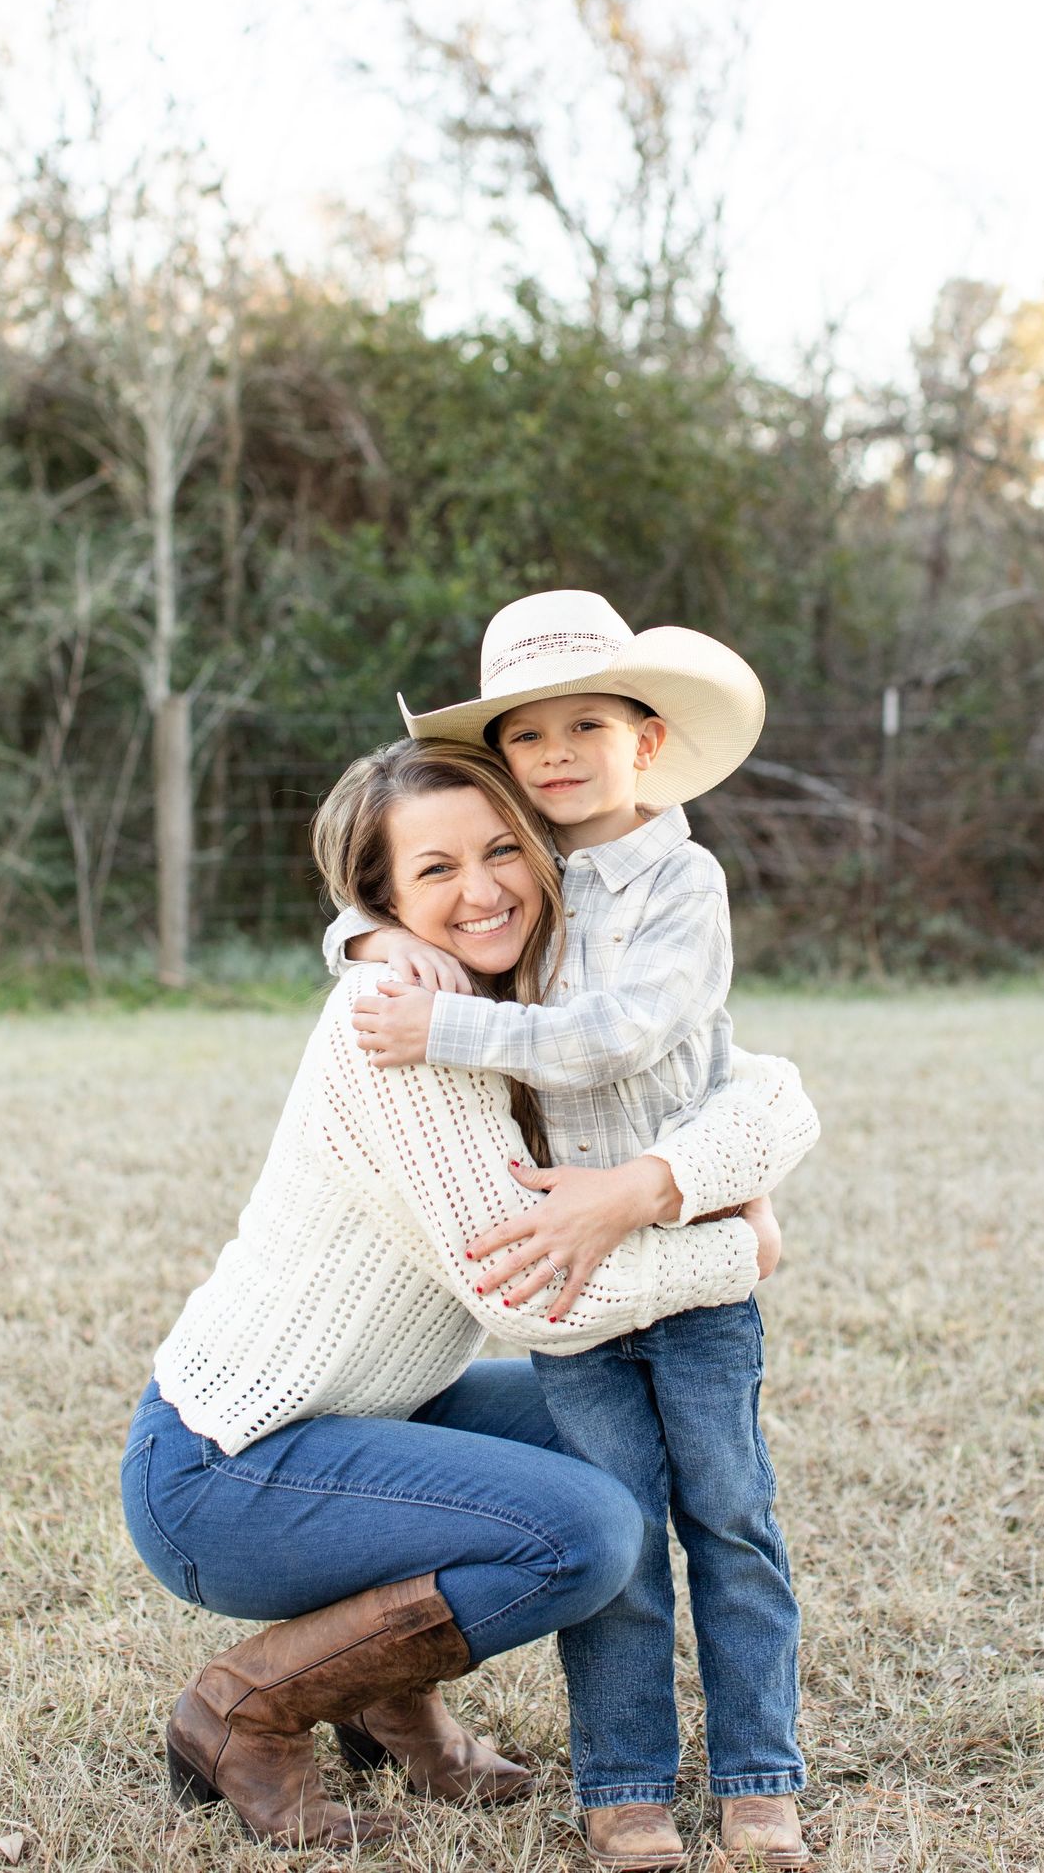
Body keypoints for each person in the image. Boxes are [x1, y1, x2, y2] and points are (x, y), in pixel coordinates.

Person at [121, 730, 819, 1858]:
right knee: (596, 1524)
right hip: (225, 1466)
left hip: (369, 1424)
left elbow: (767, 1090)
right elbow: (541, 1300)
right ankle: (245, 1707)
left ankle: (388, 1697)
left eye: (503, 851)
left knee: (626, 1427)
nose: (483, 889)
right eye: (434, 871)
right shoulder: (394, 1030)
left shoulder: (531, 1005)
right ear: (385, 898)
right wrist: (742, 1250)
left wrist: (660, 1182)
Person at [328, 589, 817, 1871]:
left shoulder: (682, 882)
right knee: (621, 1538)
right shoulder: (523, 874)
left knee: (731, 1521)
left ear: (643, 739)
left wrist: (449, 1029)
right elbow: (415, 898)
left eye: (583, 724)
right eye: (526, 734)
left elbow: (622, 1037)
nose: (553, 754)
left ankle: (762, 1774)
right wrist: (366, 936)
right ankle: (628, 1784)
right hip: (581, 1283)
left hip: (691, 1270)